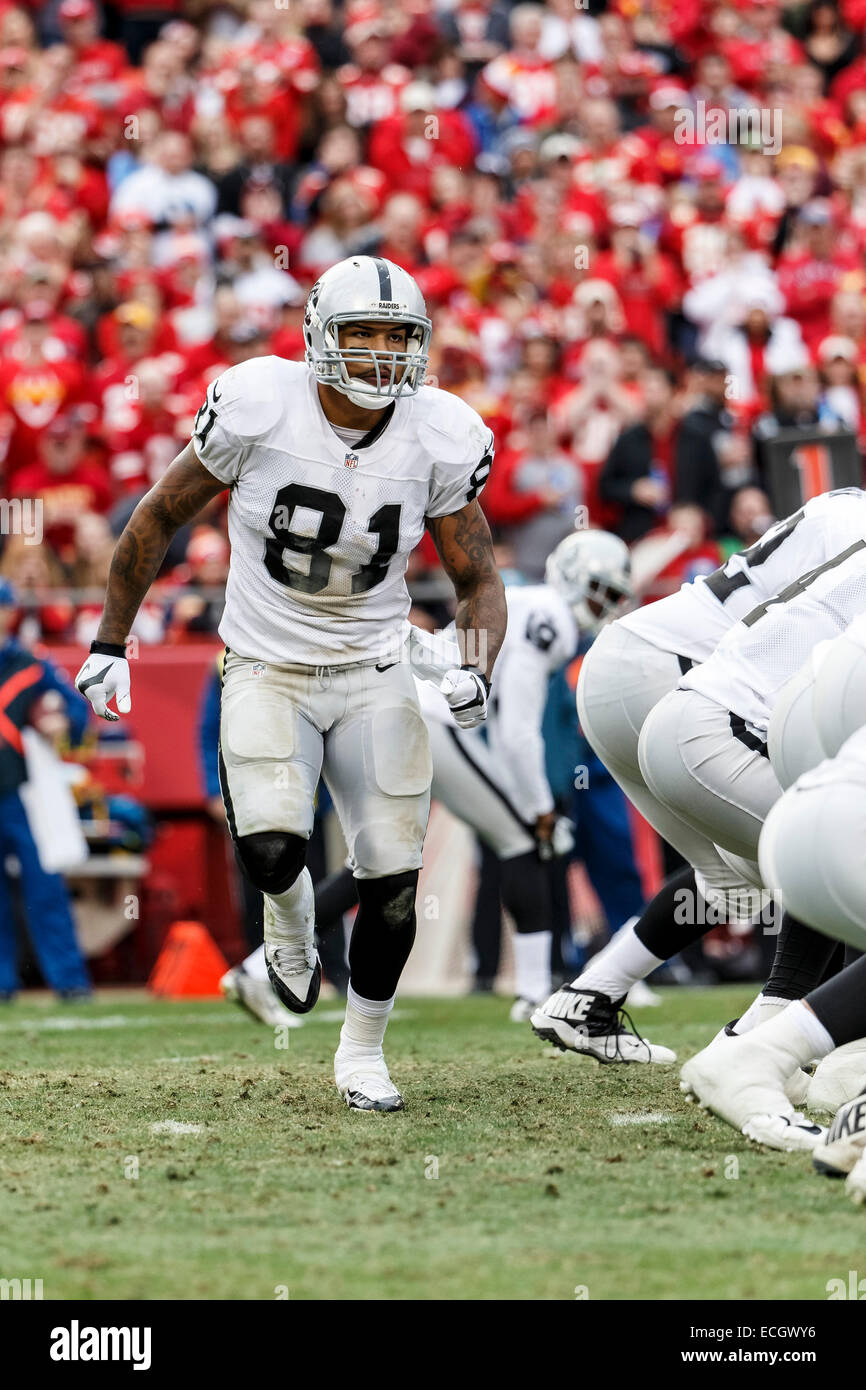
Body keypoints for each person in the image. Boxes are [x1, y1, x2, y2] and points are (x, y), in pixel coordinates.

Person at [74, 255, 507, 1113]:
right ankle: (289, 928)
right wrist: (111, 640)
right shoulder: (261, 403)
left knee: (390, 880)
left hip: (376, 664)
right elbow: (157, 516)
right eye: (364, 334)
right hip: (268, 663)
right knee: (272, 846)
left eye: (399, 337)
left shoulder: (441, 431)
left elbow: (479, 577)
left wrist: (475, 665)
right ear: (318, 336)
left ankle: (363, 1051)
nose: (383, 355)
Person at [530, 489, 866, 1069]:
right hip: (685, 668)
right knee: (821, 843)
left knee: (734, 878)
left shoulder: (840, 505)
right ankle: (767, 1043)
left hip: (629, 661)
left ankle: (591, 996)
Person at [0, 580, 91, 1001]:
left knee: (45, 886)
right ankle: (2, 983)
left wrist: (61, 723)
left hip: (24, 793)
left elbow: (74, 708)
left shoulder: (30, 662)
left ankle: (69, 981)